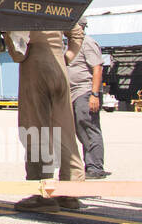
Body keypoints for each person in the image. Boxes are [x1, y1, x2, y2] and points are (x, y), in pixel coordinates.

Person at [5, 30, 85, 211]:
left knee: (35, 129)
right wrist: (67, 57)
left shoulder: (25, 2)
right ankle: (70, 191)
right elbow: (77, 33)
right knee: (65, 129)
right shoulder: (59, 2)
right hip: (60, 64)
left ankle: (42, 191)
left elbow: (17, 47)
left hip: (35, 63)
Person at [65, 19, 109, 179]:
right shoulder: (70, 44)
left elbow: (97, 68)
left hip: (85, 92)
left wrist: (94, 94)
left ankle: (95, 167)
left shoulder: (87, 43)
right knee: (80, 129)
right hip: (74, 93)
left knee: (89, 128)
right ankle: (88, 164)